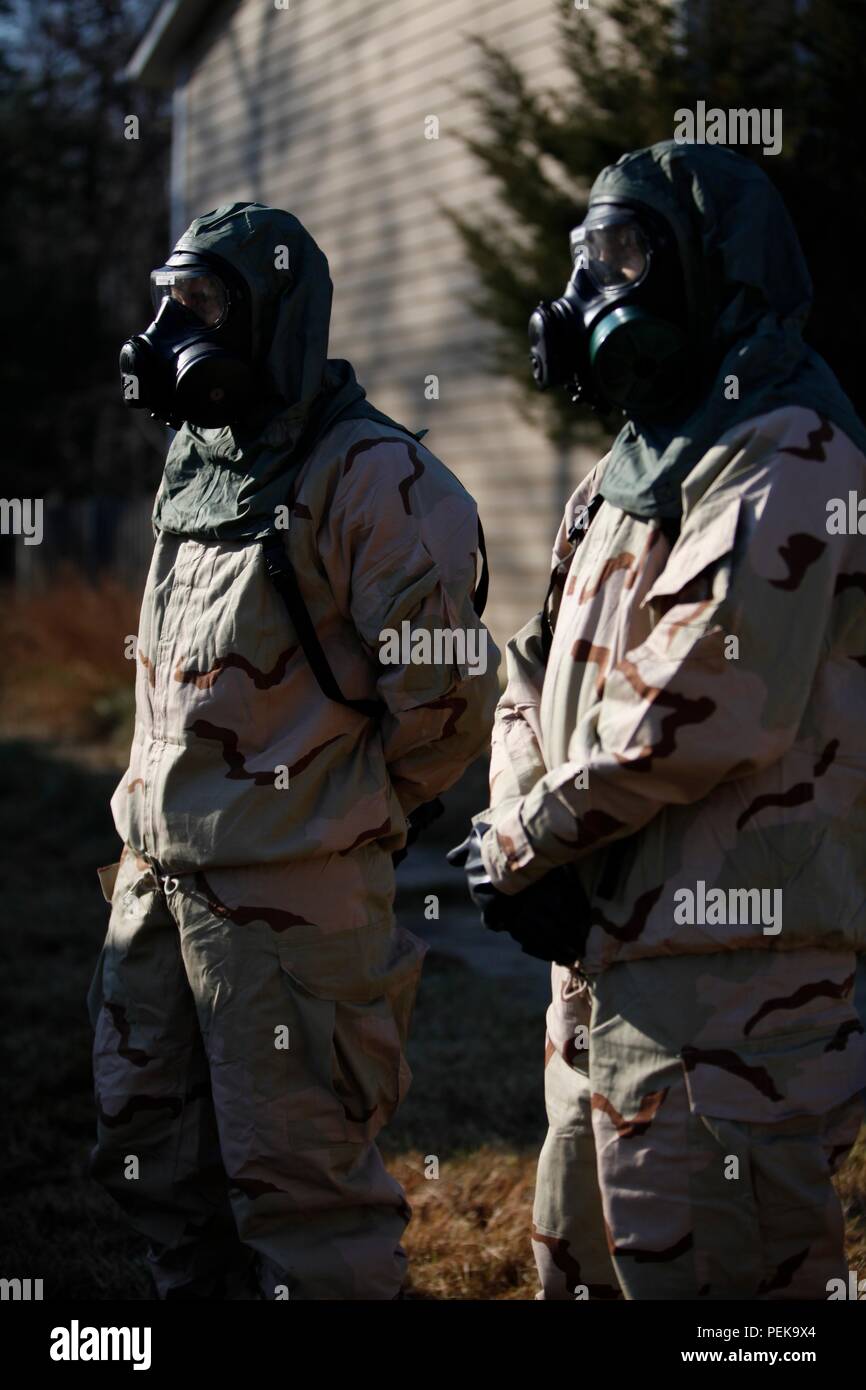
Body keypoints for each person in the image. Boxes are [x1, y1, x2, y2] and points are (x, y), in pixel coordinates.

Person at [452, 141, 866, 1300]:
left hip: (732, 985)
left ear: (713, 275)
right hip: (597, 961)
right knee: (579, 1266)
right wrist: (514, 833)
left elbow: (698, 707)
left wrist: (522, 840)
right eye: (584, 258)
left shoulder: (789, 452)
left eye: (625, 256)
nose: (591, 292)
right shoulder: (615, 477)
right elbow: (528, 673)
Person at [88, 201, 500, 1300]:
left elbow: (447, 702)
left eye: (208, 305)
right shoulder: (200, 460)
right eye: (171, 302)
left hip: (290, 910)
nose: (178, 329)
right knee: (161, 1170)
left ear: (277, 317)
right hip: (156, 888)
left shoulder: (375, 479)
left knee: (304, 1201)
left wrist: (330, 817)